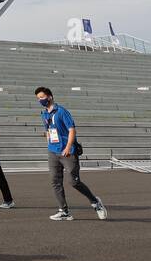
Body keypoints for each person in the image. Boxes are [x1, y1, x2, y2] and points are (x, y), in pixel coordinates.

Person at [37, 86, 108, 221]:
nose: (40, 100)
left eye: (42, 97)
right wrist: (49, 143)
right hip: (53, 151)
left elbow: (71, 130)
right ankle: (64, 211)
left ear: (50, 97)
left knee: (74, 182)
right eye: (38, 99)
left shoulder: (62, 112)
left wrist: (68, 147)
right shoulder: (44, 113)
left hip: (67, 152)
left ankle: (95, 202)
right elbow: (47, 130)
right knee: (55, 181)